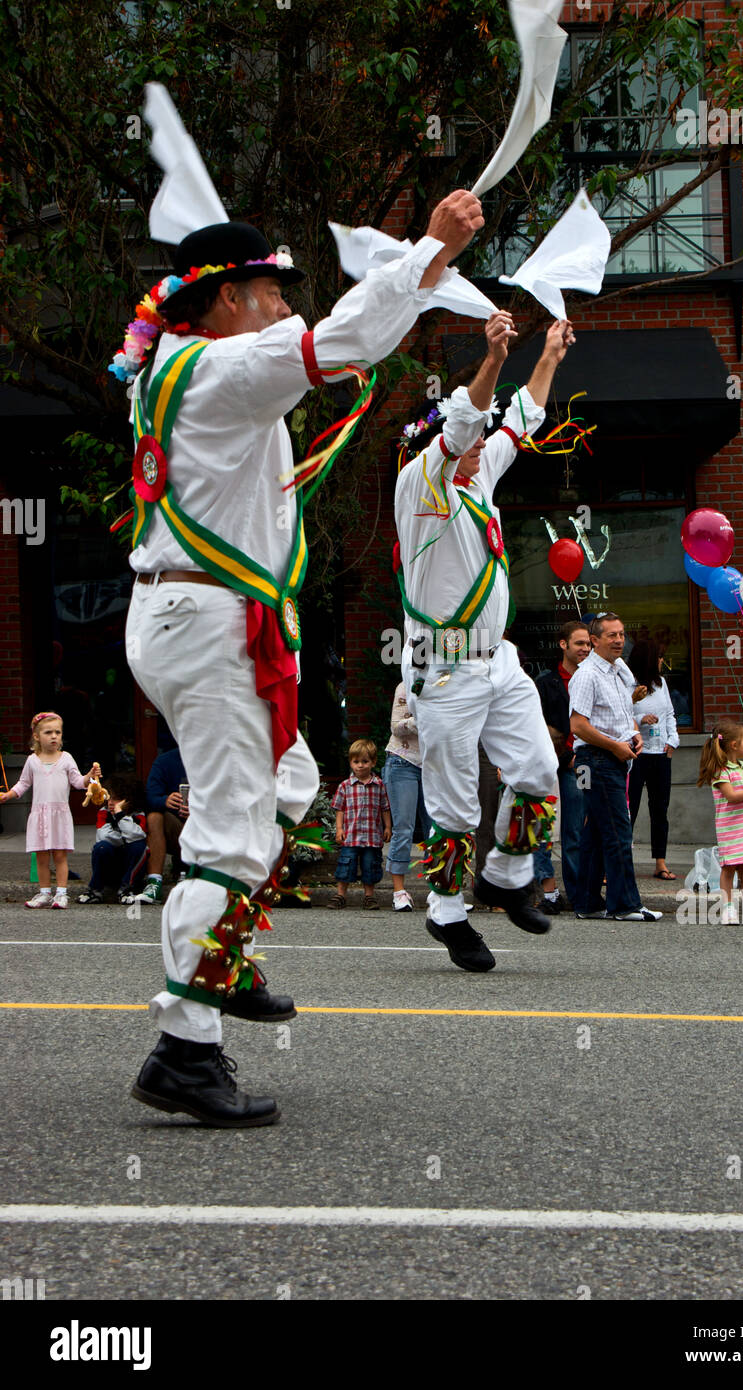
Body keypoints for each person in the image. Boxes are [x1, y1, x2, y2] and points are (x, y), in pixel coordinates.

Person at [124, 190, 485, 1126]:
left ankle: (224, 958)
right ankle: (186, 1043)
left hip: (187, 617)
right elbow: (341, 342)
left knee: (289, 783)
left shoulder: (177, 368)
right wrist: (426, 251)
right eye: (272, 289)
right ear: (224, 301)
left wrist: (428, 267)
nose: (286, 305)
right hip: (208, 625)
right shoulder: (219, 368)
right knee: (236, 827)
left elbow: (345, 335)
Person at [395, 317, 574, 971]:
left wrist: (548, 353)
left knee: (538, 772)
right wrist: (494, 355)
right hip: (443, 671)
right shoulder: (420, 489)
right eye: (467, 440)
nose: (481, 446)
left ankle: (505, 871)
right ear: (438, 442)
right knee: (454, 804)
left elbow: (520, 418)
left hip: (497, 662)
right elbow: (470, 418)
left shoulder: (476, 482)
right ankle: (446, 911)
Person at [569, 613, 662, 922]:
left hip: (613, 757)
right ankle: (624, 905)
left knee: (595, 832)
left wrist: (633, 732)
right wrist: (614, 745)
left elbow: (624, 711)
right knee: (618, 832)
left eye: (621, 634)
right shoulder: (587, 675)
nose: (619, 640)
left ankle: (586, 902)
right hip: (595, 761)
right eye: (611, 635)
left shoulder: (617, 669)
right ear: (595, 640)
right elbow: (578, 725)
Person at [0, 713, 100, 909]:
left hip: (60, 815)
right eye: (48, 732)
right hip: (39, 816)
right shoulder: (32, 760)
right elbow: (23, 783)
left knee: (60, 856)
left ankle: (61, 894)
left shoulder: (66, 758)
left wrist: (89, 775)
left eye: (57, 732)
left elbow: (78, 782)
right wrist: (8, 795)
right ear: (36, 736)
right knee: (42, 857)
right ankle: (45, 893)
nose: (54, 736)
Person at [533, 620, 591, 912]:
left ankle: (578, 892)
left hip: (581, 765)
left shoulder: (592, 678)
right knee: (542, 827)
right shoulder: (545, 682)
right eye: (579, 643)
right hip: (547, 763)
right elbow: (536, 725)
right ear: (563, 644)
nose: (584, 649)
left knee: (576, 829)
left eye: (588, 644)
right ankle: (548, 890)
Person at [697, 720, 743, 924]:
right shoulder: (721, 771)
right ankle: (727, 908)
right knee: (729, 868)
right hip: (730, 828)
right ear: (734, 745)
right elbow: (731, 796)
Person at [626, 639, 680, 880]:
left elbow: (669, 713)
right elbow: (622, 711)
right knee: (631, 807)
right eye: (658, 657)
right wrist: (641, 717)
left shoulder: (661, 684)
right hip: (637, 753)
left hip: (661, 752)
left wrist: (673, 740)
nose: (662, 662)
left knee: (660, 809)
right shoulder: (628, 683)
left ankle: (660, 861)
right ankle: (623, 860)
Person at [383, 682, 429, 911]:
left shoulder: (449, 684)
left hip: (433, 765)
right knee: (404, 827)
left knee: (437, 829)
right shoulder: (406, 686)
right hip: (403, 761)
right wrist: (421, 721)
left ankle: (441, 892)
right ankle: (399, 892)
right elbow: (395, 726)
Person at [330, 739, 392, 909]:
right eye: (356, 762)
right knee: (346, 864)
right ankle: (341, 894)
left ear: (373, 762)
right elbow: (340, 809)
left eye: (365, 761)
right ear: (350, 763)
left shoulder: (379, 785)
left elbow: (385, 808)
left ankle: (369, 896)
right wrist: (340, 829)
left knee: (370, 866)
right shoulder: (345, 786)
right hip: (351, 835)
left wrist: (387, 827)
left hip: (372, 836)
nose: (360, 766)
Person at [77, 774, 148, 905]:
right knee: (102, 847)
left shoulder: (138, 814)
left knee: (139, 846)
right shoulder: (104, 812)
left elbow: (137, 836)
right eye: (109, 798)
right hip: (111, 865)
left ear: (128, 800)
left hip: (130, 868)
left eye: (116, 799)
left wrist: (120, 815)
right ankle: (95, 890)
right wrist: (125, 838)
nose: (110, 803)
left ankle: (127, 889)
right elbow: (104, 836)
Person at [136, 746, 189, 905]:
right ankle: (154, 882)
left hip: (206, 826)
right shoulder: (165, 761)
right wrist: (165, 800)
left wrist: (200, 808)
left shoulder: (214, 760)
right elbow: (150, 798)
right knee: (154, 817)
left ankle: (190, 873)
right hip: (175, 825)